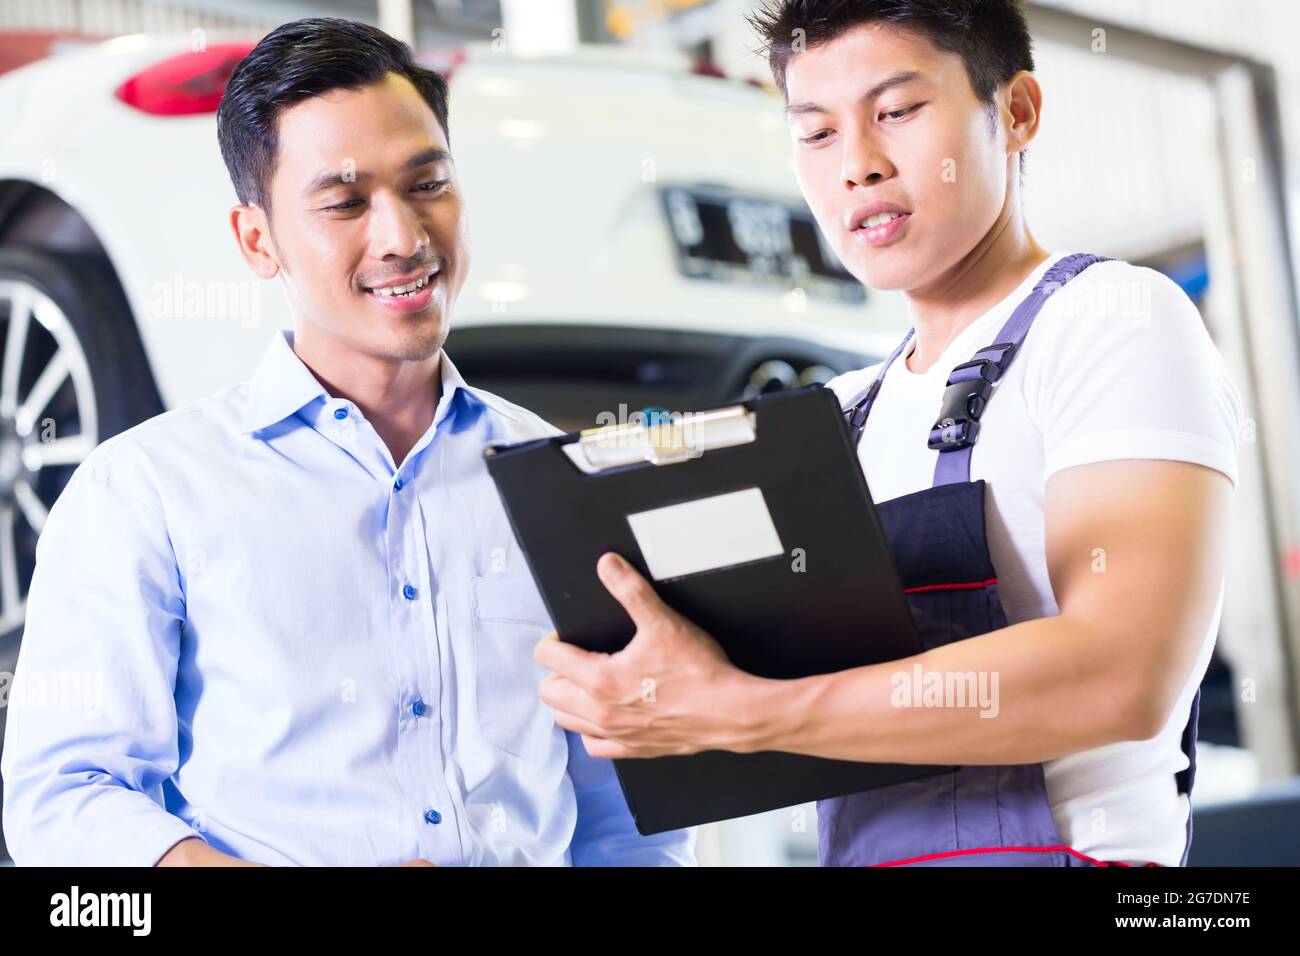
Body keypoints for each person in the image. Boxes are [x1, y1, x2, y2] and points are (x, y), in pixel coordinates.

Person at [535, 0, 1243, 867]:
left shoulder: (1112, 319)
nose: (857, 167)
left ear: (1015, 111)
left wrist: (746, 711)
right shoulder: (839, 417)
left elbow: (1121, 673)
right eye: (817, 133)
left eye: (897, 112)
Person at [0, 17, 694, 867]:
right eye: (344, 202)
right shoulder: (144, 491)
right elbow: (63, 798)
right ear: (258, 240)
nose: (403, 236)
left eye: (428, 182)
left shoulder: (562, 479)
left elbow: (622, 825)